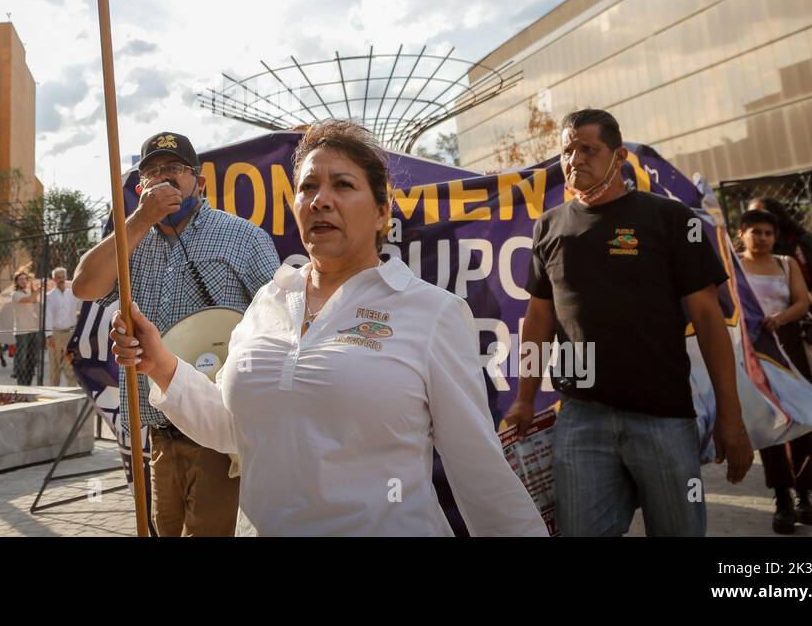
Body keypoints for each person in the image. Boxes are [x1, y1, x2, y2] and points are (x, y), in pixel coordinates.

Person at [110, 120, 546, 537]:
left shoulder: (430, 312)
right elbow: (235, 430)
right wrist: (161, 364)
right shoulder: (268, 302)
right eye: (307, 187)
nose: (320, 200)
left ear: (381, 211)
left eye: (343, 185)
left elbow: (479, 469)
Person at [506, 108, 753, 537]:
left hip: (664, 418)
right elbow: (538, 319)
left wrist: (731, 418)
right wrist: (525, 398)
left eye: (589, 149)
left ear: (619, 156)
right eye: (567, 150)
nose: (575, 159)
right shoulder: (548, 226)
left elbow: (710, 322)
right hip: (580, 420)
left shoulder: (672, 220)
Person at [76, 131, 281, 537]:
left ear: (199, 182)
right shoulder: (130, 243)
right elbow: (84, 286)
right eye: (151, 172)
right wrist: (140, 219)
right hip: (161, 431)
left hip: (221, 434)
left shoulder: (244, 237)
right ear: (140, 188)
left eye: (173, 169)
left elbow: (280, 325)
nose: (162, 179)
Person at [736, 208, 812, 533]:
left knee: (802, 424)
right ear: (742, 233)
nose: (762, 238)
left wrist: (780, 318)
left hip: (790, 350)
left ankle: (805, 496)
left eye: (768, 233)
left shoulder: (787, 263)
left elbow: (802, 302)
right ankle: (782, 498)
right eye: (755, 232)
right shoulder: (735, 267)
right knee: (770, 428)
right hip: (755, 354)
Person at [748, 197, 812, 467]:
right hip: (768, 335)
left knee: (808, 389)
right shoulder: (748, 257)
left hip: (804, 326)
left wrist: (792, 306)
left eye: (763, 221)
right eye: (753, 224)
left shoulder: (799, 243)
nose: (760, 232)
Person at [8, 268, 42, 386]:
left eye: (25, 279)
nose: (23, 281)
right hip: (22, 331)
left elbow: (34, 302)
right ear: (16, 282)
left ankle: (28, 384)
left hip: (33, 330)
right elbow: (29, 300)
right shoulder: (15, 295)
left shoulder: (29, 293)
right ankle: (21, 385)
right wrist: (37, 291)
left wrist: (34, 292)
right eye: (20, 279)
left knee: (31, 359)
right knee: (22, 360)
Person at [45, 267, 79, 387]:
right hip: (56, 334)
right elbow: (47, 316)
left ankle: (71, 390)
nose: (61, 280)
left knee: (70, 363)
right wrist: (49, 335)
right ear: (54, 279)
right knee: (54, 364)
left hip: (70, 333)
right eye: (58, 277)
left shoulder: (72, 294)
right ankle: (55, 390)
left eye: (62, 277)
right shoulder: (50, 296)